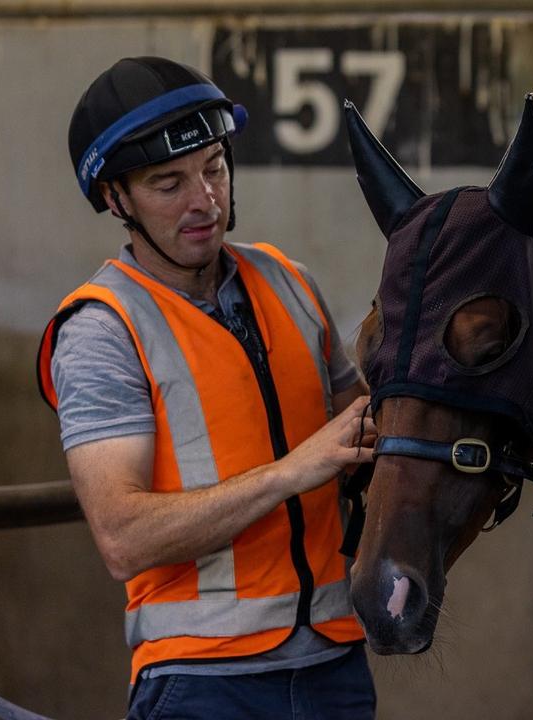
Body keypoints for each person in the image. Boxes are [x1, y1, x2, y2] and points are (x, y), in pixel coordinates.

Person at [35, 56, 378, 719]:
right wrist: (290, 472)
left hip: (335, 661)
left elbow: (363, 432)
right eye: (168, 183)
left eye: (214, 167)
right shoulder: (102, 329)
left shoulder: (290, 280)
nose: (205, 201)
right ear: (116, 199)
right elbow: (123, 539)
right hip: (203, 678)